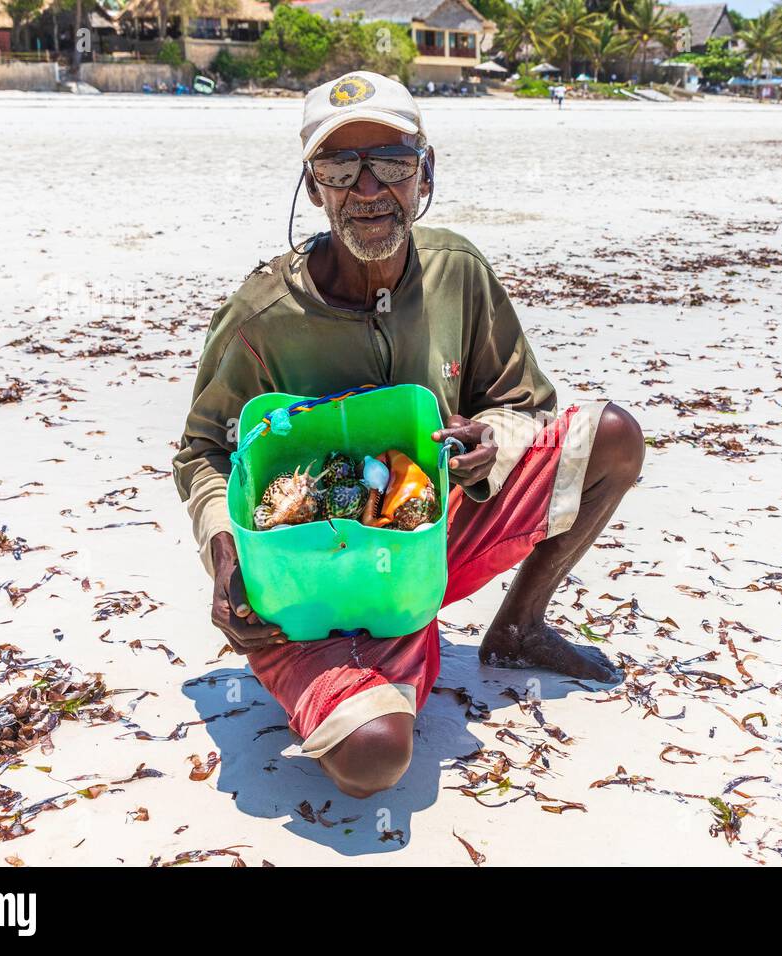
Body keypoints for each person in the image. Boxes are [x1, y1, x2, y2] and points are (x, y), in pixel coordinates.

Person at [173, 72, 645, 799]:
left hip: (427, 532)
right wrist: (225, 554)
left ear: (426, 171)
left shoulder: (457, 271)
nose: (367, 190)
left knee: (611, 437)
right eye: (339, 169)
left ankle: (518, 629)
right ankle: (361, 668)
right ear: (312, 187)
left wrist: (494, 440)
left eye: (390, 163)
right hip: (309, 578)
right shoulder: (262, 316)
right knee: (374, 755)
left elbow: (525, 403)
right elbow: (204, 451)